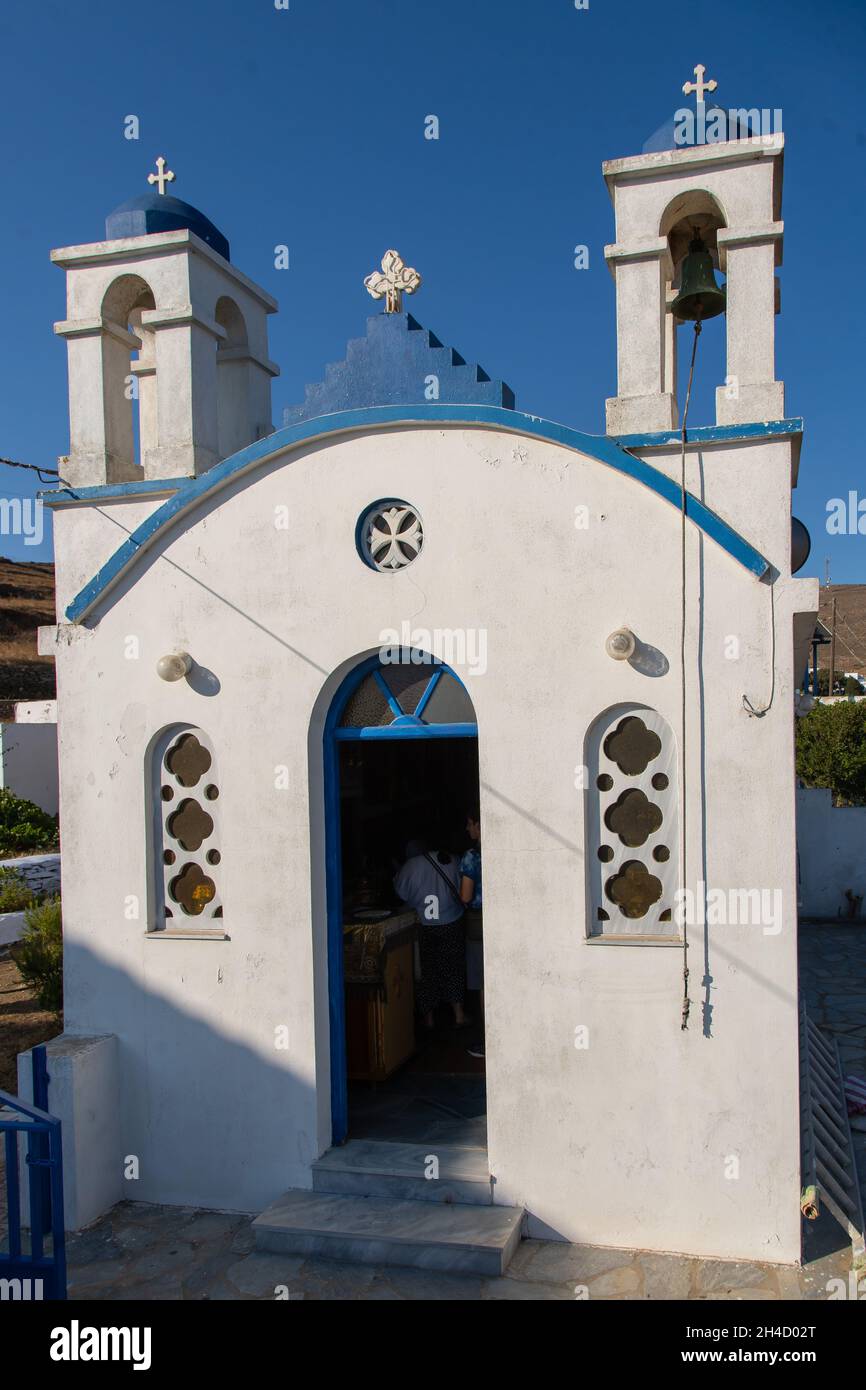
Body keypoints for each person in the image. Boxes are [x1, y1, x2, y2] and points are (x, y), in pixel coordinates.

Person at [393, 838, 467, 1029]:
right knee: (454, 967)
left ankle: (429, 1019)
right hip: (451, 920)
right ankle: (458, 1015)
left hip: (424, 924)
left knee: (427, 970)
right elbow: (463, 888)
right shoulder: (452, 859)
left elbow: (401, 893)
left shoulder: (410, 866)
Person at [459, 808, 484, 1058]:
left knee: (483, 983)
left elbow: (466, 895)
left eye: (470, 824)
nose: (468, 829)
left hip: (479, 924)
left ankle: (489, 1041)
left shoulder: (471, 857)